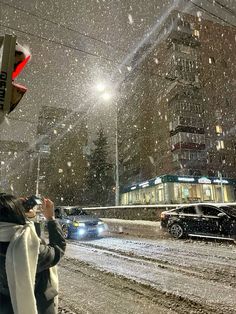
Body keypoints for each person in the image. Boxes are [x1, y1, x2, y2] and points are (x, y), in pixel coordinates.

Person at [0, 194, 66, 314]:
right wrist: (51, 218)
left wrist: (12, 206)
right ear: (15, 215)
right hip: (39, 306)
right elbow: (57, 250)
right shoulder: (27, 249)